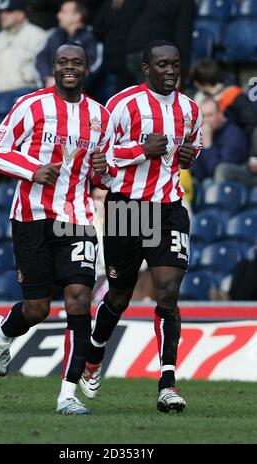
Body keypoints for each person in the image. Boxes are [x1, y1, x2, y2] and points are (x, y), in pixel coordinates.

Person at [0, 42, 115, 416]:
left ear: (86, 68)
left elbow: (100, 173)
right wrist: (33, 170)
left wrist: (104, 169)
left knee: (78, 298)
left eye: (76, 61)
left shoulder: (100, 116)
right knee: (37, 308)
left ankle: (67, 396)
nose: (69, 67)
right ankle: (3, 331)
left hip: (76, 216)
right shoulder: (32, 105)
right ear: (54, 68)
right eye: (63, 62)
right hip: (31, 217)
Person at [79, 40, 202, 413]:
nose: (170, 71)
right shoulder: (121, 105)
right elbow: (98, 161)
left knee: (167, 292)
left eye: (175, 64)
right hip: (127, 207)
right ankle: (93, 357)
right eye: (162, 64)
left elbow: (193, 149)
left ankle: (168, 384)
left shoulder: (189, 109)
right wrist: (139, 150)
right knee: (119, 295)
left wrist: (188, 156)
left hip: (168, 207)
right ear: (146, 68)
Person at [36, 0, 102, 91]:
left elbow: (94, 65)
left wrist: (64, 81)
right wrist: (46, 78)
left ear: (77, 16)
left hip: (83, 91)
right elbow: (41, 59)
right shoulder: (54, 35)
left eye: (64, 12)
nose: (58, 15)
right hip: (50, 87)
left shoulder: (90, 36)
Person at [0, 0, 47, 92]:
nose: (3, 16)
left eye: (8, 12)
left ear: (21, 14)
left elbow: (45, 68)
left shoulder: (37, 35)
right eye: (1, 12)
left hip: (26, 93)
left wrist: (26, 78)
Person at [191, 98, 248, 183]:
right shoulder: (202, 133)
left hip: (232, 185)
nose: (205, 120)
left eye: (210, 115)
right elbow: (197, 170)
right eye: (203, 116)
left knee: (208, 183)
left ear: (220, 113)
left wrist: (207, 145)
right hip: (205, 182)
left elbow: (219, 171)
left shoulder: (233, 134)